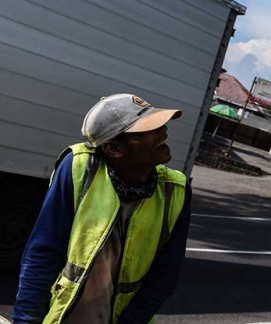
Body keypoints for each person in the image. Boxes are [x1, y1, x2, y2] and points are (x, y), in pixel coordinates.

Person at [13, 93, 192, 324]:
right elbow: (43, 253)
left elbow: (165, 276)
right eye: (149, 128)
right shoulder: (78, 169)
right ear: (113, 149)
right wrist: (26, 321)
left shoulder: (176, 190)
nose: (163, 131)